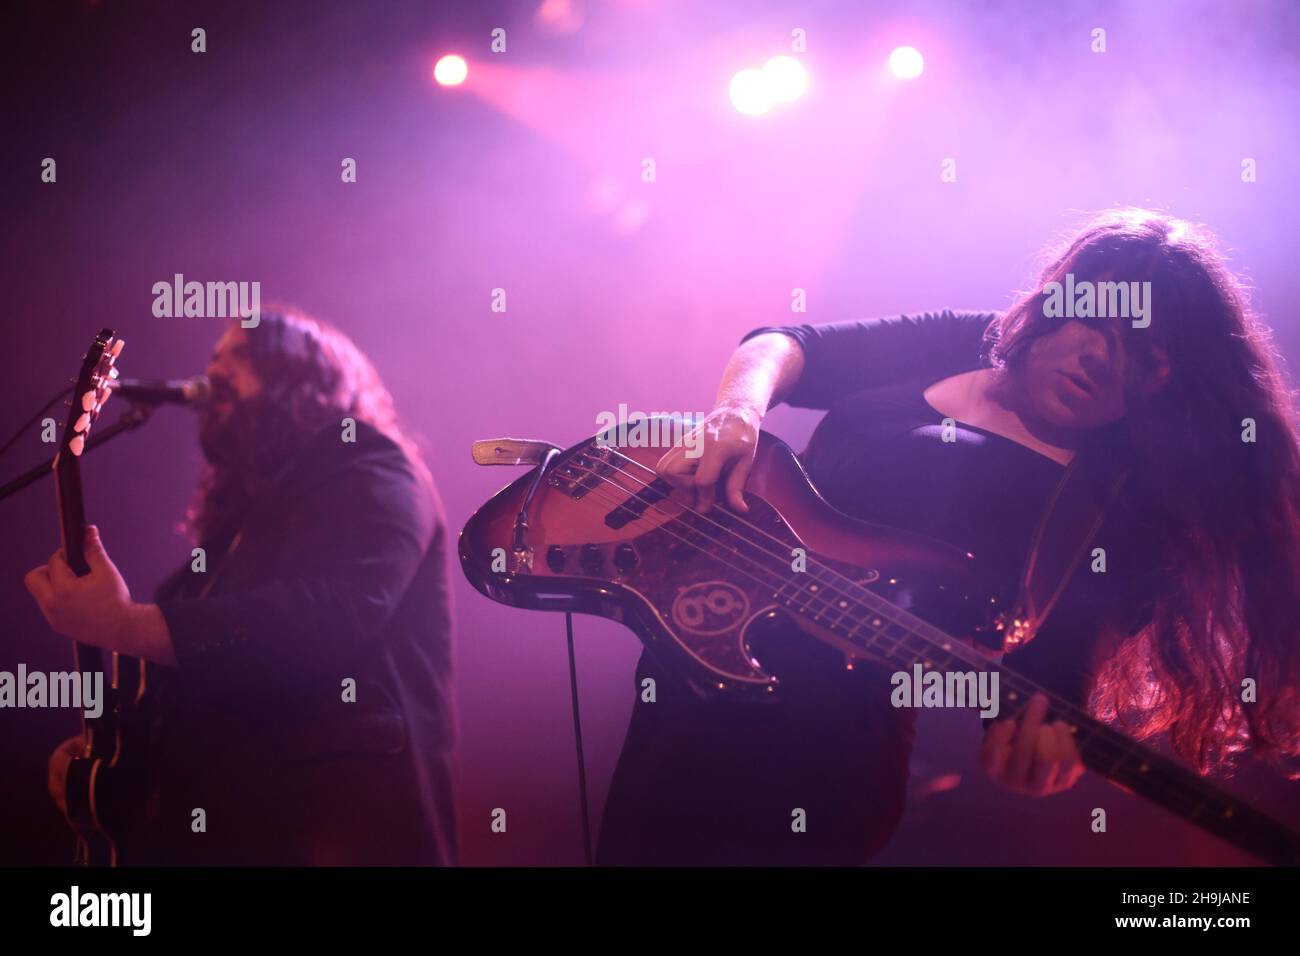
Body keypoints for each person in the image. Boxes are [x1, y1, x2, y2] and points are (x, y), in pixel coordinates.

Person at [596, 208, 1300, 866]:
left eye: (1144, 352)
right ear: (1057, 301)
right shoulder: (964, 342)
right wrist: (737, 414)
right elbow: (787, 345)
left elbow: (1052, 677)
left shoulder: (1114, 506)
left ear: (1164, 382)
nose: (1101, 358)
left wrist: (1036, 741)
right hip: (699, 660)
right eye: (1096, 321)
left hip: (826, 750)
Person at [26, 310, 458, 865]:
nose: (215, 370)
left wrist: (127, 624)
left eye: (242, 354)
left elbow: (328, 617)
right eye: (214, 357)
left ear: (305, 375)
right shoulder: (237, 529)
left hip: (337, 836)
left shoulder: (372, 464)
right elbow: (200, 683)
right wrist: (106, 761)